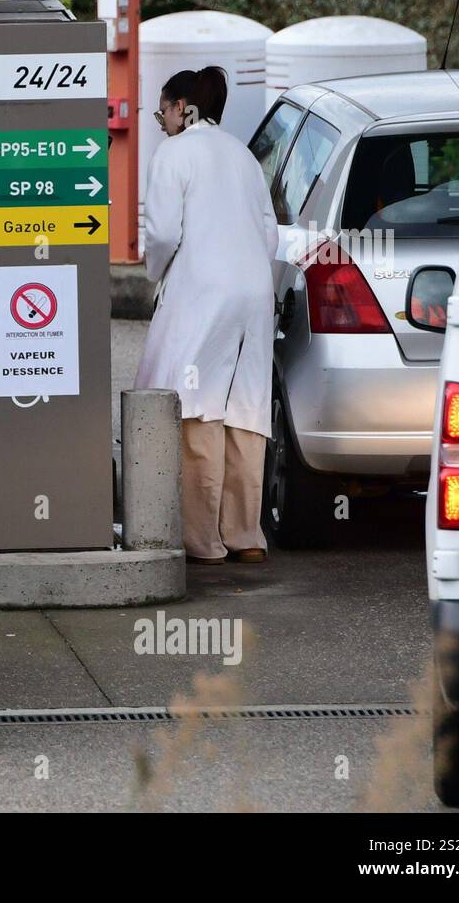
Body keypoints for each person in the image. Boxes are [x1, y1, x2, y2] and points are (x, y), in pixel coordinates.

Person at [133, 66, 279, 565]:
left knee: (197, 404)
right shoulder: (242, 154)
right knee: (246, 406)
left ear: (180, 108)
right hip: (254, 288)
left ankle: (203, 541)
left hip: (204, 289)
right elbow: (269, 230)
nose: (161, 122)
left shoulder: (174, 153)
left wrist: (156, 272)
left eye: (162, 111)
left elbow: (164, 233)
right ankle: (246, 535)